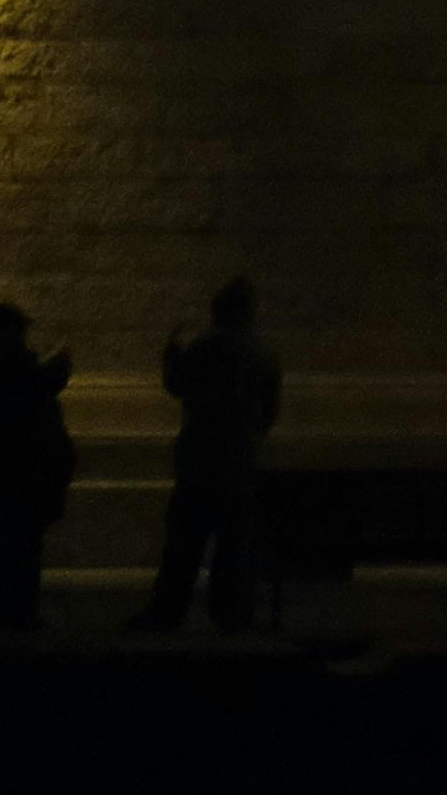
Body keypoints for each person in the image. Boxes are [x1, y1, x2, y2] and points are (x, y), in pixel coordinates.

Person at [135, 270, 282, 631]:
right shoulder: (264, 351)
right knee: (233, 546)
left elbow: (177, 382)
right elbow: (270, 410)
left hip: (201, 459)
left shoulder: (206, 346)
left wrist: (170, 354)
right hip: (239, 462)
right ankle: (231, 614)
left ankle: (167, 612)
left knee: (185, 542)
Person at [0, 291, 74, 637]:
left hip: (0, 472)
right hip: (17, 475)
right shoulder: (2, 364)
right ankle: (16, 618)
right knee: (18, 550)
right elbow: (26, 398)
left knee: (0, 551)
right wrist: (57, 370)